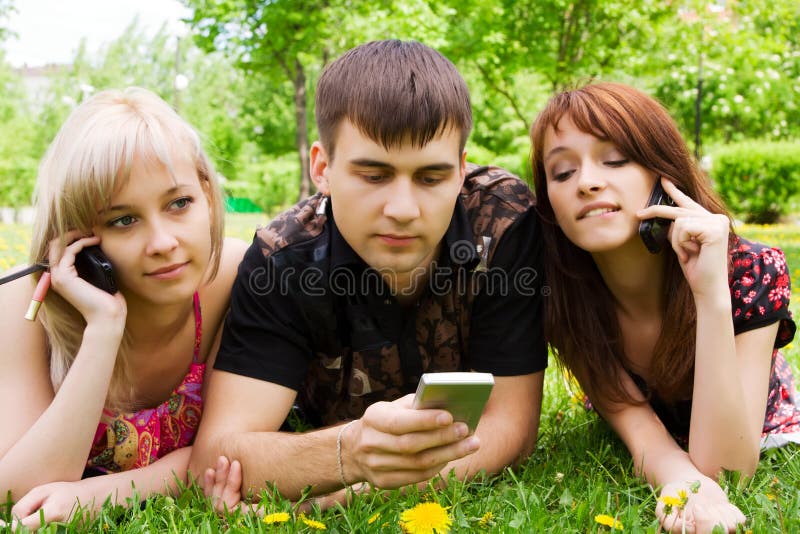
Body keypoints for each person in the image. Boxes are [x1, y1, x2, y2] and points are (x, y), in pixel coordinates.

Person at [190, 39, 547, 506]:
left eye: (430, 177)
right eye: (374, 175)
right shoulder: (281, 260)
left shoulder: (501, 223)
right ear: (323, 167)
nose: (402, 209)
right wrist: (348, 451)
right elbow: (217, 457)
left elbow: (511, 427)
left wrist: (341, 496)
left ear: (461, 172)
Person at [529, 82, 799, 533]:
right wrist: (683, 483)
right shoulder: (560, 293)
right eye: (562, 173)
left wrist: (711, 295)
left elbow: (727, 469)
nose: (588, 182)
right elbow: (640, 429)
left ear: (664, 176)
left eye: (615, 160)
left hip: (755, 422)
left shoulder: (751, 270)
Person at [0, 87, 248, 528]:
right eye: (124, 220)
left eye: (179, 203)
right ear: (78, 238)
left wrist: (98, 494)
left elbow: (228, 450)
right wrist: (103, 328)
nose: (163, 243)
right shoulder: (25, 306)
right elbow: (17, 496)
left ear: (207, 196)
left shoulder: (233, 276)